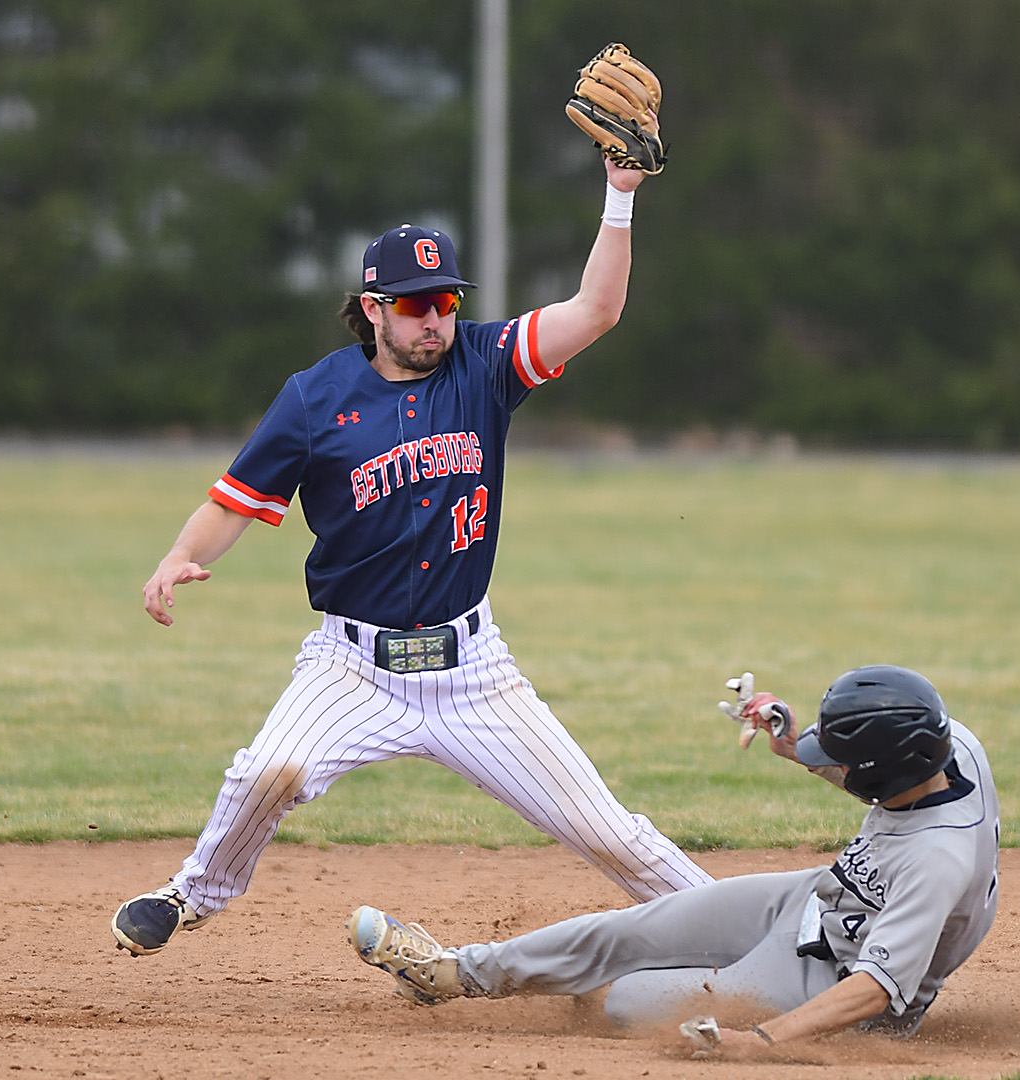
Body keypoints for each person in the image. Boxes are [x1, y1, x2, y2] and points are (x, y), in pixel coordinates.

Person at [110, 158, 715, 958]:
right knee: (268, 771)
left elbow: (596, 310)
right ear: (373, 310)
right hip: (352, 667)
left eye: (447, 302)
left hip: (474, 672)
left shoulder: (485, 363)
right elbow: (235, 502)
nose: (436, 320)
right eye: (416, 305)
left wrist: (620, 197)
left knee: (610, 832)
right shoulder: (314, 399)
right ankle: (191, 894)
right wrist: (179, 555)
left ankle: (750, 928)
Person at [347, 666, 1001, 1056]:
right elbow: (869, 758)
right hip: (815, 901)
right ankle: (450, 973)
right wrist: (786, 738)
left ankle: (624, 982)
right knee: (634, 928)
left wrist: (762, 1042)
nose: (826, 762)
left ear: (881, 776)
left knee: (626, 1000)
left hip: (836, 982)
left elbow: (875, 989)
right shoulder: (946, 746)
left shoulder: (936, 862)